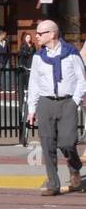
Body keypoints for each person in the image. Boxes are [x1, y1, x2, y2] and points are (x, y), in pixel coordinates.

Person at [26, 20, 86, 196]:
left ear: (52, 34)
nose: (36, 36)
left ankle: (74, 167)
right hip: (45, 103)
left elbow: (82, 80)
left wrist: (75, 101)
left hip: (67, 102)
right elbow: (34, 84)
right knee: (47, 144)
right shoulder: (38, 57)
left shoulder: (71, 54)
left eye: (40, 33)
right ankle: (53, 183)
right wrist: (32, 109)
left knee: (67, 142)